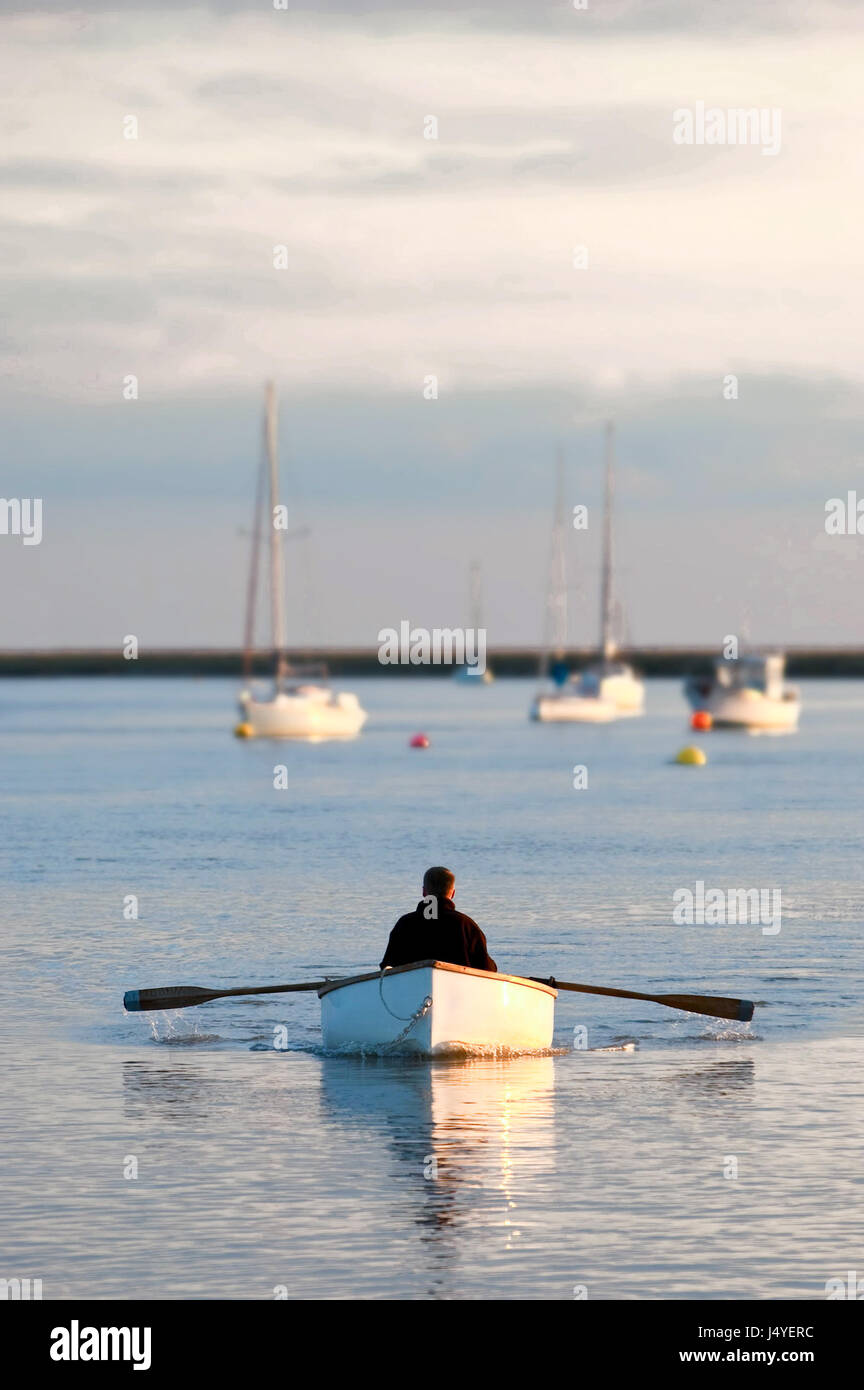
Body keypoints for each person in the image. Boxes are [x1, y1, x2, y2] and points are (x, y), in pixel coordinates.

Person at [380, 866, 497, 972]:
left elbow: (387, 966)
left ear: (424, 892)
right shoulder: (466, 925)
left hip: (412, 989)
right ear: (453, 893)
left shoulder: (405, 923)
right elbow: (487, 969)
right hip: (458, 990)